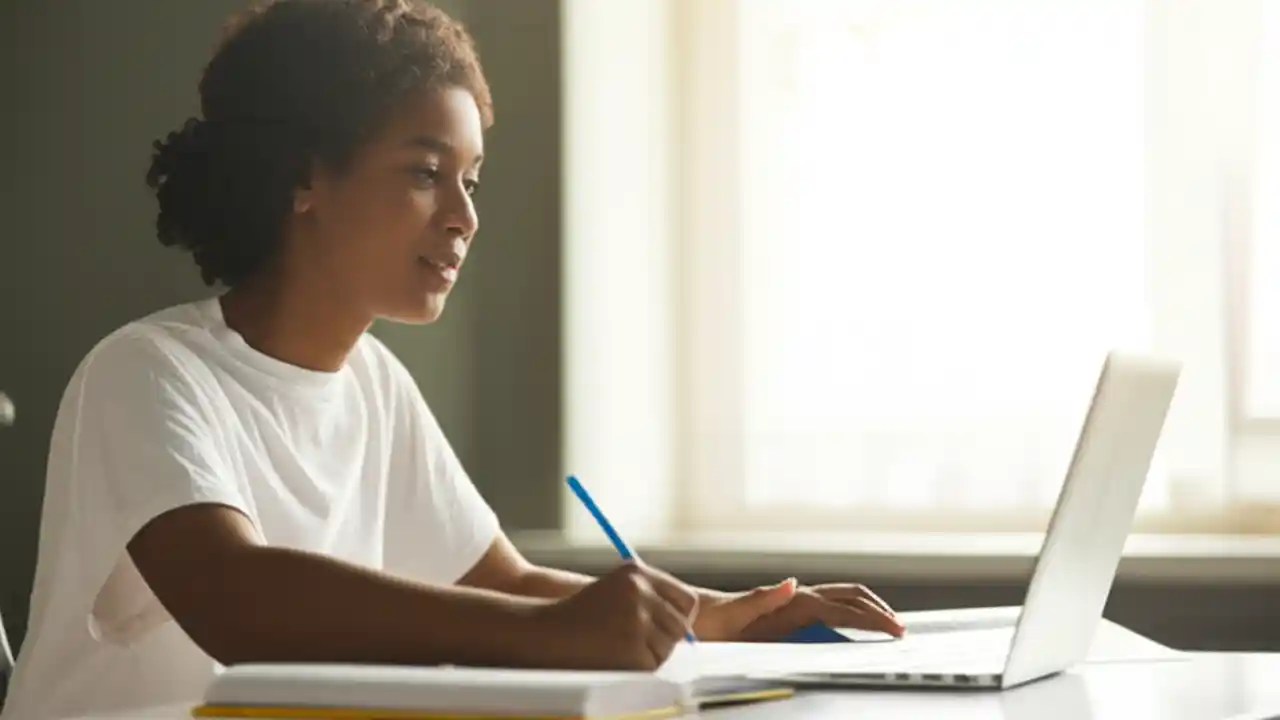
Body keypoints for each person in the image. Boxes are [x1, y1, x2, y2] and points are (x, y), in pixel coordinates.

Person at [2, 1, 904, 718]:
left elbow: (501, 579)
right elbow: (239, 599)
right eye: (426, 172)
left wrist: (726, 613)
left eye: (471, 180)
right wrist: (553, 635)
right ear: (302, 176)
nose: (465, 217)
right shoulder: (147, 372)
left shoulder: (375, 385)